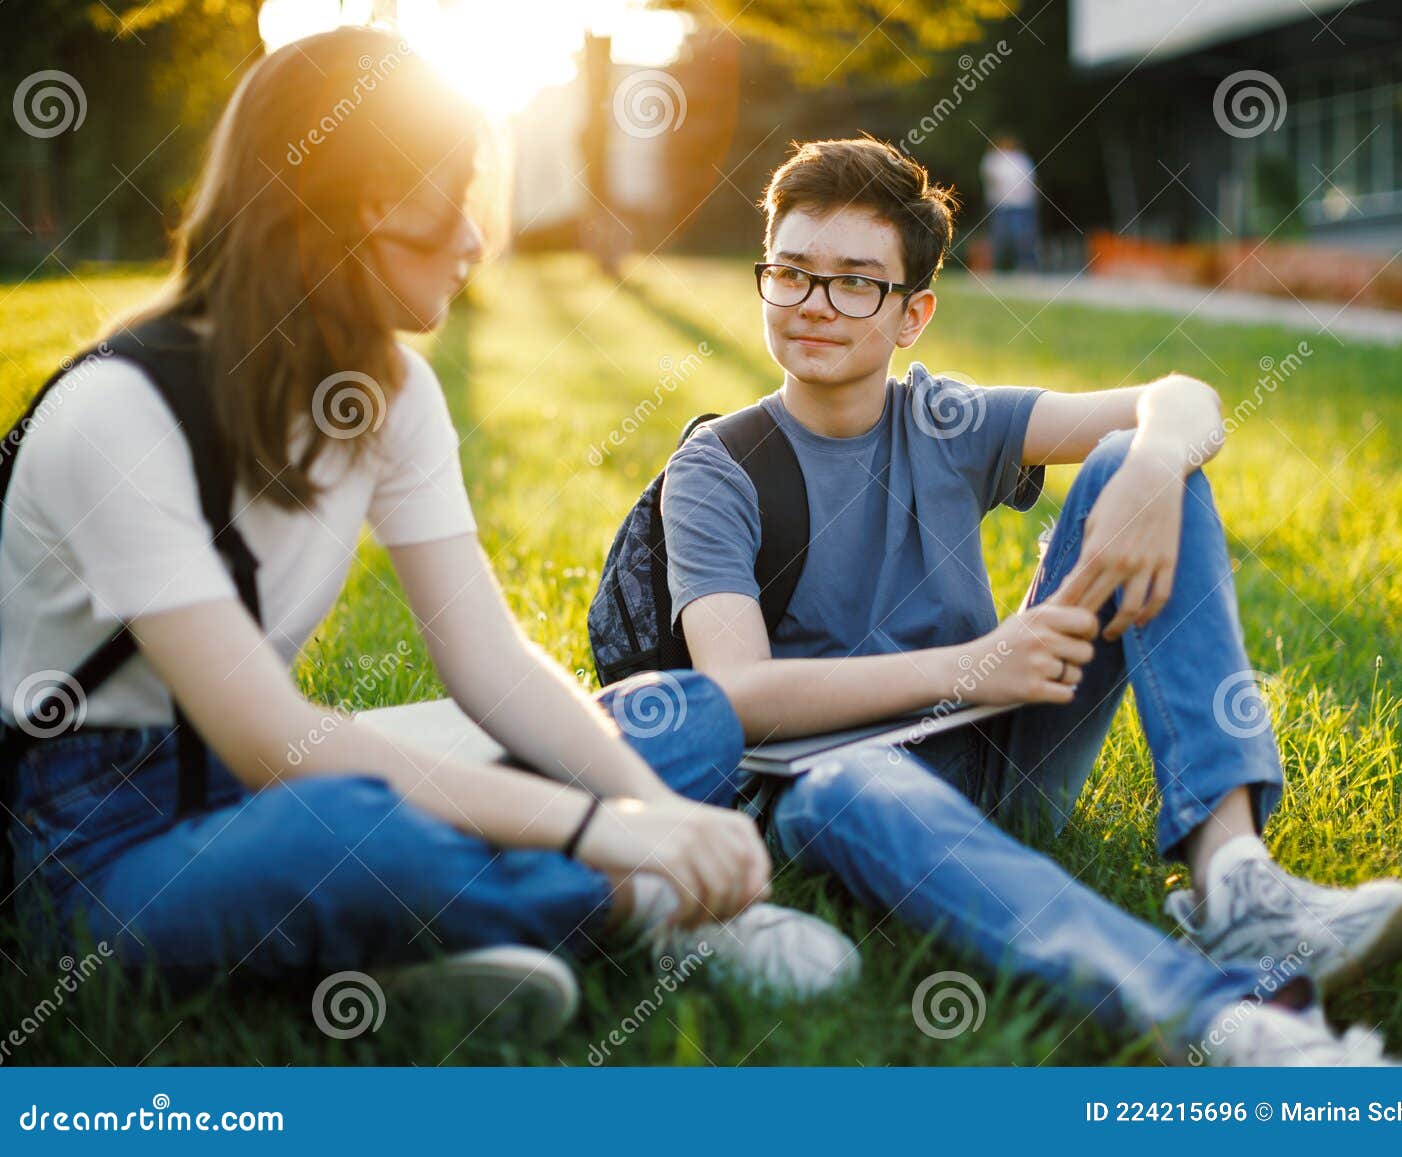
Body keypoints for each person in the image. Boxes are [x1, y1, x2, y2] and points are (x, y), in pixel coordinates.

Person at [0, 27, 856, 1043]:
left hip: (263, 780)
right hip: (96, 846)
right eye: (452, 197)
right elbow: (267, 740)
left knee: (687, 722)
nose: (475, 240)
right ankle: (645, 908)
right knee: (337, 835)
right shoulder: (117, 413)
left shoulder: (390, 391)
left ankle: (402, 946)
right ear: (359, 207)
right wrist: (619, 837)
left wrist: (644, 803)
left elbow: (489, 663)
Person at [655, 137, 1402, 1064]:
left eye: (856, 282)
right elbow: (738, 694)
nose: (816, 304)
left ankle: (1236, 880)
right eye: (791, 273)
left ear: (912, 315)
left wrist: (1152, 462)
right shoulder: (717, 470)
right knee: (845, 788)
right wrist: (975, 664)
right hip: (840, 783)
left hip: (1005, 752)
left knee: (1138, 461)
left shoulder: (944, 421)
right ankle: (1229, 1027)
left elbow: (1184, 397)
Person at [980, 133, 1041, 271]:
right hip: (1001, 205)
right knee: (999, 236)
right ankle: (997, 266)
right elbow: (992, 178)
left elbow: (1030, 179)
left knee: (1024, 236)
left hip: (1022, 204)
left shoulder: (1021, 159)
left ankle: (1026, 264)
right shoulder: (993, 159)